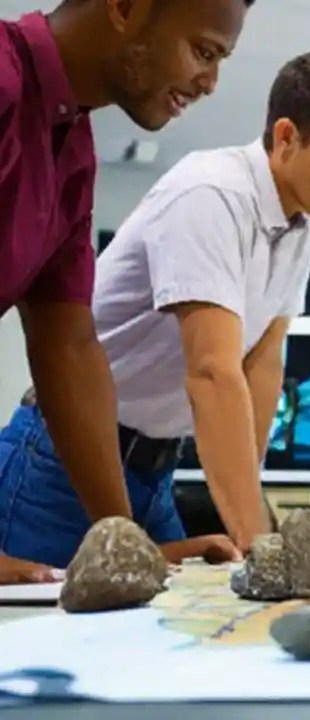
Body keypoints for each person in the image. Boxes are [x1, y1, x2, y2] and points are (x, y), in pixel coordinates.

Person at [0, 49, 310, 569]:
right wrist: (263, 547)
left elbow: (261, 365)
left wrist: (250, 524)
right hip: (60, 466)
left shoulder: (303, 222)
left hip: (152, 473)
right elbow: (212, 372)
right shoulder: (212, 193)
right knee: (37, 642)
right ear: (286, 138)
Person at [0, 0, 254, 584]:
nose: (211, 82)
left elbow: (68, 347)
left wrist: (124, 543)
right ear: (124, 8)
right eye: (204, 51)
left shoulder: (71, 149)